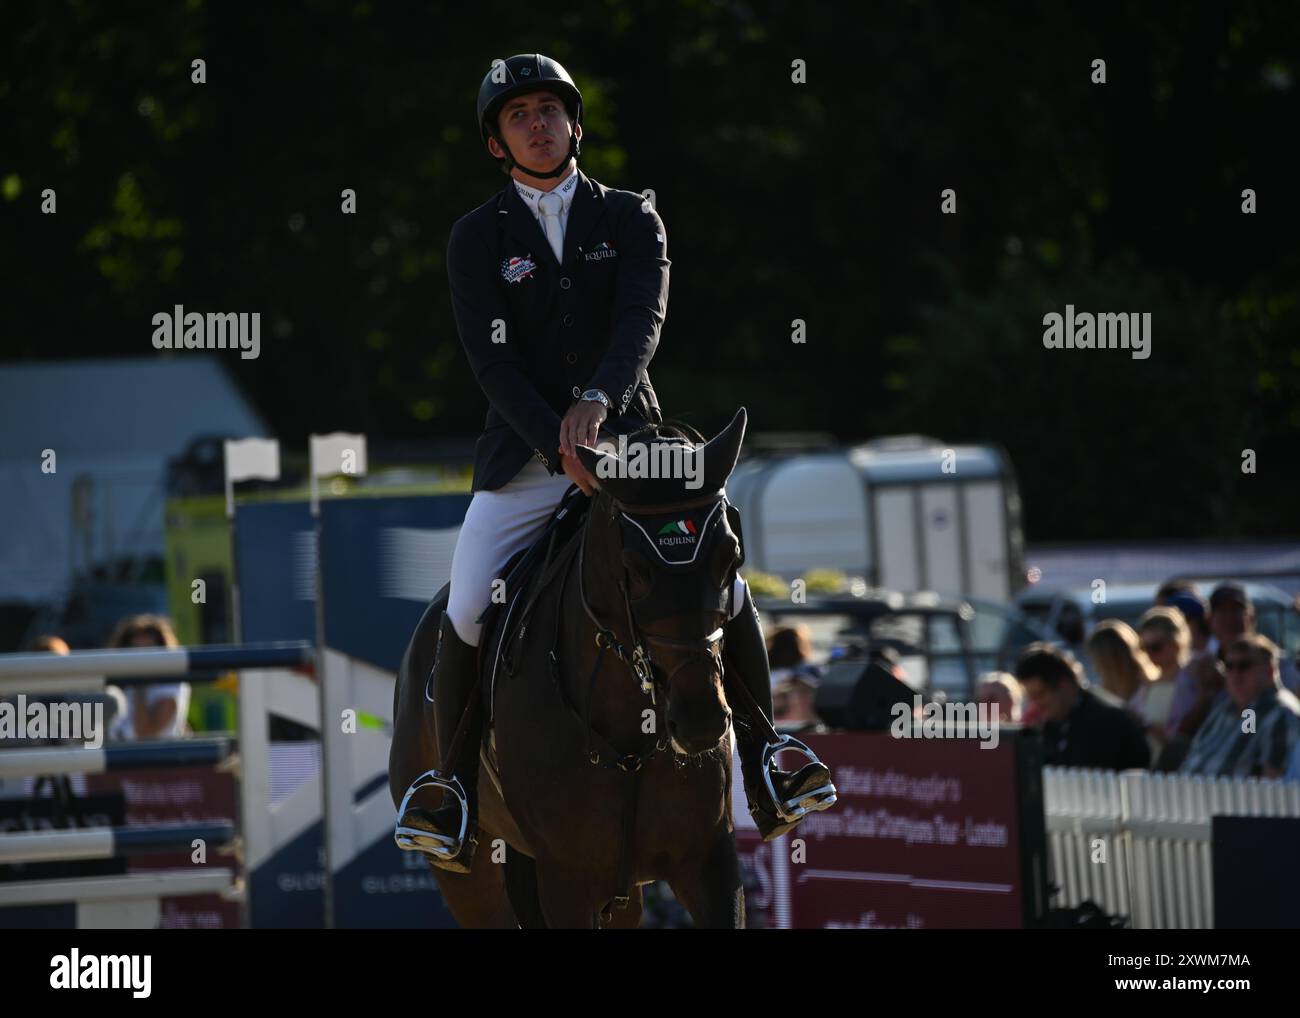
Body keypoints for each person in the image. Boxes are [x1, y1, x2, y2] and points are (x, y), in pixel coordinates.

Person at [393, 54, 834, 871]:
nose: (536, 123)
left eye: (548, 109)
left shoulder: (633, 217)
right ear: (497, 143)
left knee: (721, 581)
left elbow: (641, 321)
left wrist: (596, 401)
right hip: (525, 456)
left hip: (637, 447)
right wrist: (555, 435)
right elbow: (491, 364)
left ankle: (768, 760)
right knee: (463, 607)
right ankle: (451, 786)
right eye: (517, 114)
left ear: (575, 124)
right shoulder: (476, 238)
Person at [1178, 634, 1300, 779]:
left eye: (1244, 666)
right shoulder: (1225, 709)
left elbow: (1273, 784)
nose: (1235, 674)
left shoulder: (1280, 714)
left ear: (1270, 671)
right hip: (1187, 793)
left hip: (1233, 799)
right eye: (1229, 666)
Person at [1013, 643, 1149, 771]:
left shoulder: (1108, 721)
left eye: (1040, 695)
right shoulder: (1051, 725)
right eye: (1031, 697)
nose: (1036, 704)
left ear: (1064, 684)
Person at [106, 615, 189, 740]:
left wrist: (139, 689)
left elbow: (145, 735)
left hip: (153, 757)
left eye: (148, 650)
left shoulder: (170, 686)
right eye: (135, 650)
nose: (140, 659)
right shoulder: (119, 684)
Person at [1135, 607, 1189, 767]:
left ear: (1176, 642)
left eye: (1156, 647)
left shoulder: (1192, 681)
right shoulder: (1146, 687)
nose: (1150, 654)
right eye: (1145, 648)